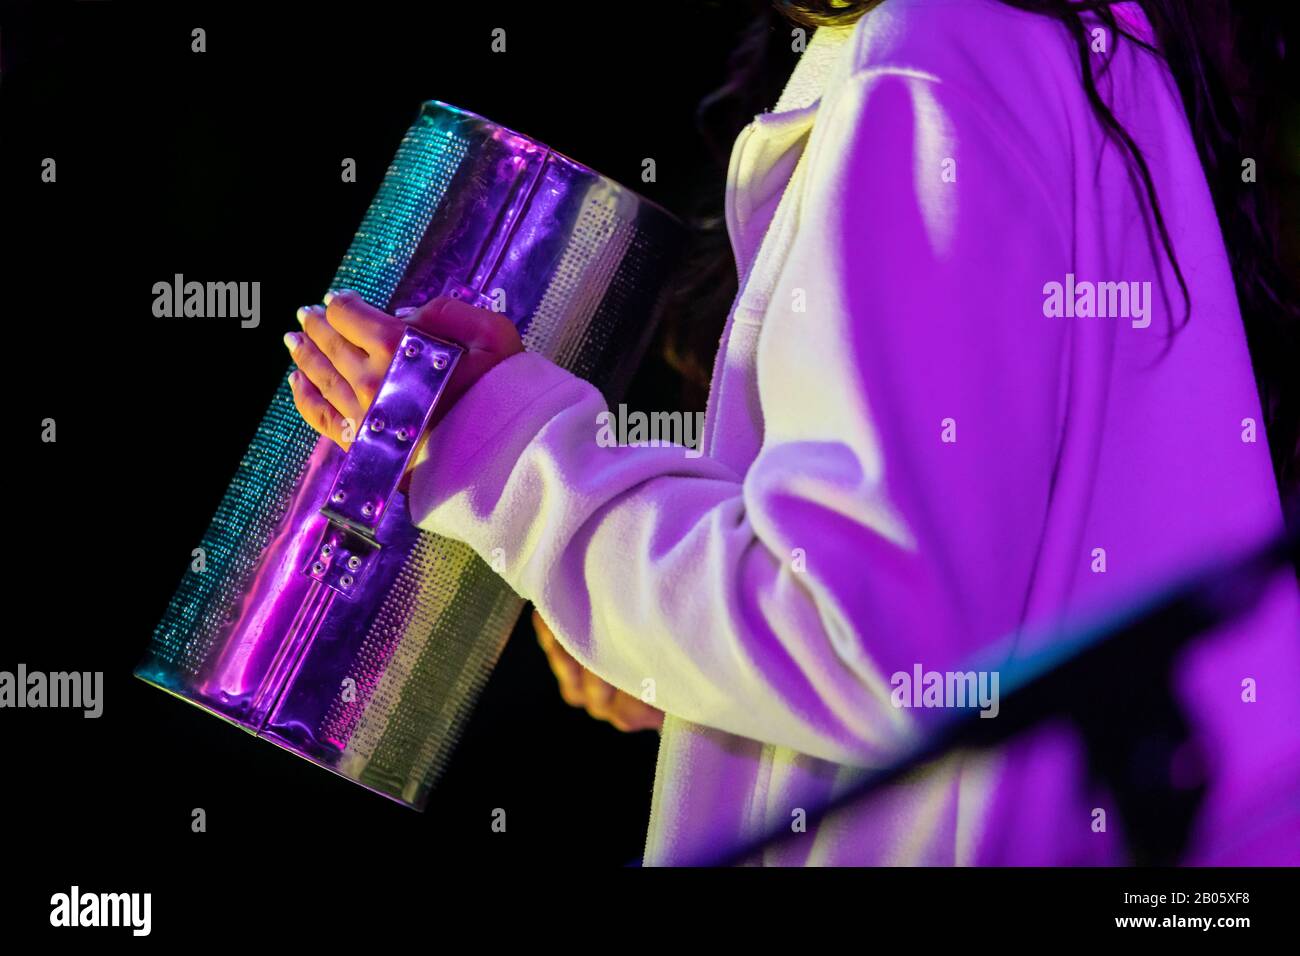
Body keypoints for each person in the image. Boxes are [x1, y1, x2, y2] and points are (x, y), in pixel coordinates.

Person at [282, 0, 1300, 864]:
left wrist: (498, 446)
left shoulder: (931, 57)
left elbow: (872, 644)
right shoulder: (1080, 49)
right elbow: (951, 610)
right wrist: (674, 653)